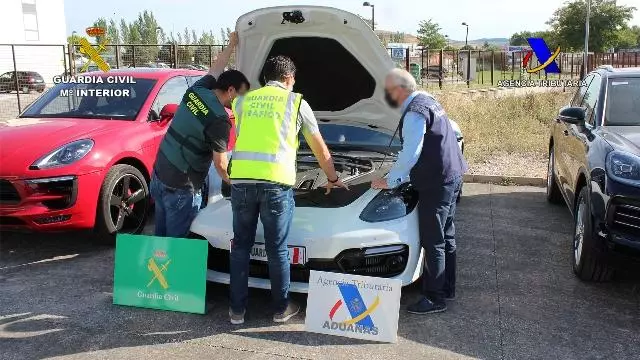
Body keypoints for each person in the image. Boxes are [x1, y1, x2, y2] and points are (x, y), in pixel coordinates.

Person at [228, 55, 348, 325]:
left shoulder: (242, 101)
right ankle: (281, 309)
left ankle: (237, 311)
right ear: (288, 78)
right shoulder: (296, 102)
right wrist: (332, 177)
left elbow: (247, 135)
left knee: (240, 248)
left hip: (242, 183)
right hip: (276, 184)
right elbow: (317, 146)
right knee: (277, 250)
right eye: (294, 79)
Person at [372, 68, 468, 314]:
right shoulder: (428, 101)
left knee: (433, 239)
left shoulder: (415, 113)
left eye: (388, 90)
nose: (387, 95)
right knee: (446, 235)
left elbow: (411, 152)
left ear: (400, 90)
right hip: (452, 175)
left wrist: (391, 180)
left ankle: (435, 298)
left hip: (437, 181)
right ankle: (447, 287)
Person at [150, 32, 250, 238]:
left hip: (159, 174)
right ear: (231, 90)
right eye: (241, 96)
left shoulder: (198, 89)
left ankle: (157, 270)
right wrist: (235, 186)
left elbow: (216, 67)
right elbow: (221, 164)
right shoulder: (220, 120)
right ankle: (175, 271)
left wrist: (232, 45)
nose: (242, 102)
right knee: (179, 246)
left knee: (160, 239)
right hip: (181, 184)